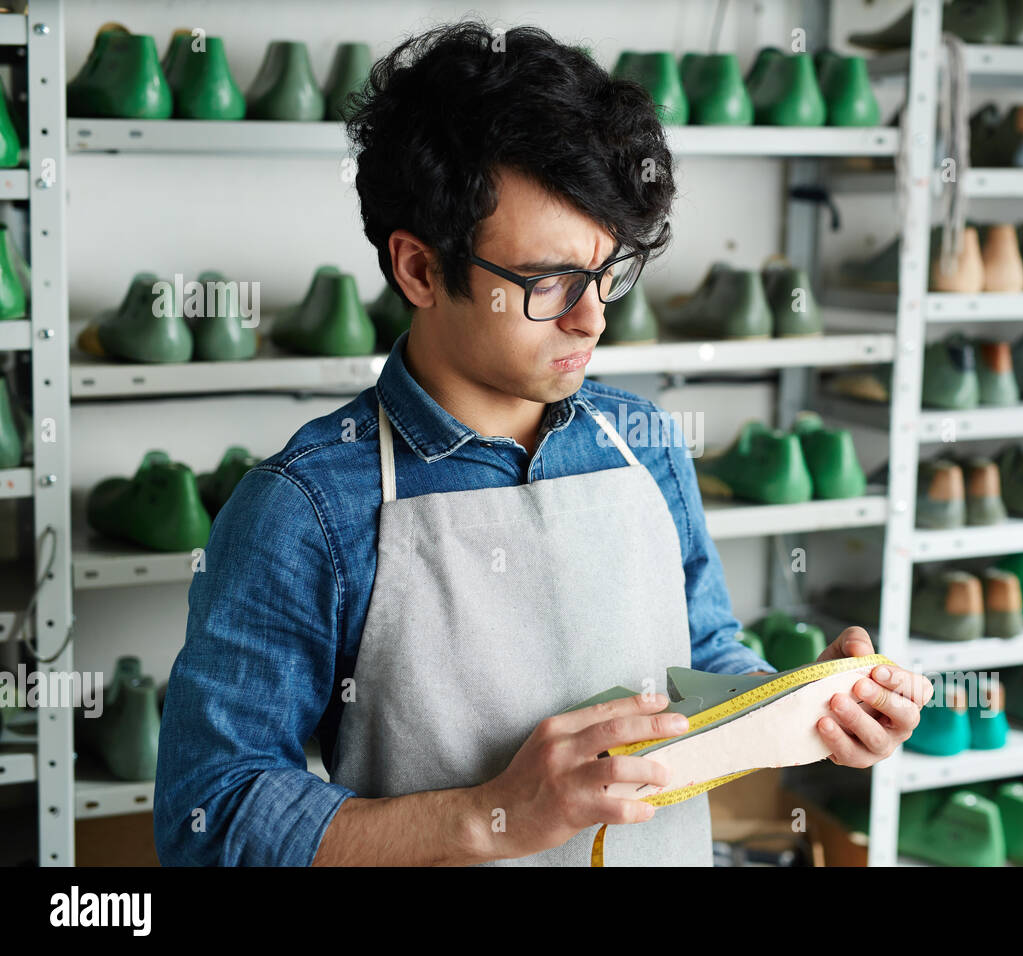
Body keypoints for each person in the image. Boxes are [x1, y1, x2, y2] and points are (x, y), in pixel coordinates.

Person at [154, 20, 931, 867]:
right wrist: (494, 814)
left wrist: (804, 706)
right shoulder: (304, 508)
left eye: (607, 272)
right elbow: (212, 815)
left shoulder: (643, 444)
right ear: (418, 270)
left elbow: (699, 662)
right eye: (548, 281)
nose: (592, 317)